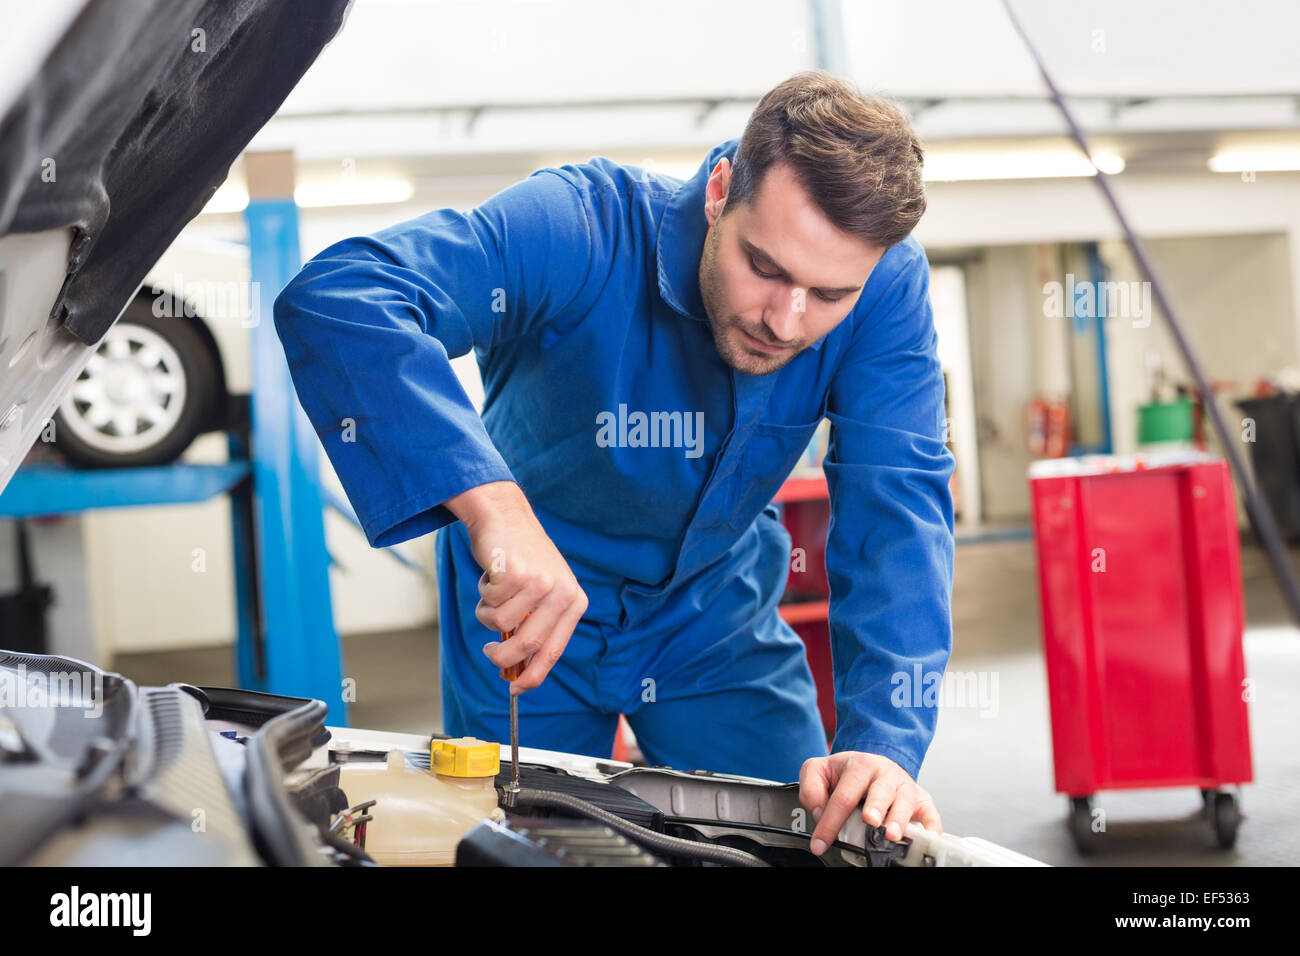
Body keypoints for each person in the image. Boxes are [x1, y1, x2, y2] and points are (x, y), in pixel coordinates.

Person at [274, 71, 954, 855]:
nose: (785, 320)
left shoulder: (887, 288)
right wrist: (494, 510)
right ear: (720, 190)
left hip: (714, 617)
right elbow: (344, 295)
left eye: (827, 295)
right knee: (524, 849)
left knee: (803, 842)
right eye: (764, 268)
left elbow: (898, 506)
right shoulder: (577, 227)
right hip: (526, 613)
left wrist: (886, 744)